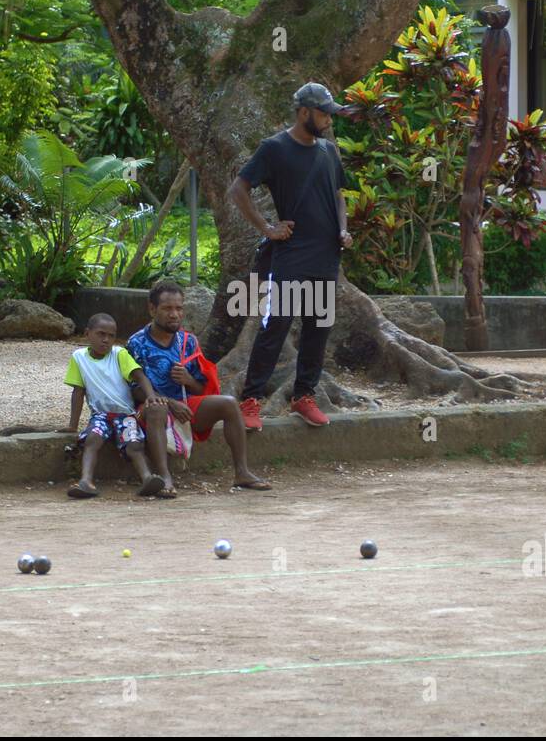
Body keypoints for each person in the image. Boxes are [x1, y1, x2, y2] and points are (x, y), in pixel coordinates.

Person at [227, 82, 354, 431]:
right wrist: (267, 228)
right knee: (275, 328)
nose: (329, 119)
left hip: (326, 256)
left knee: (318, 329)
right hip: (291, 255)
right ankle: (250, 400)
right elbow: (239, 189)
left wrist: (343, 229)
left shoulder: (329, 152)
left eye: (330, 112)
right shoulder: (275, 148)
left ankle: (304, 396)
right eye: (323, 112)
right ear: (303, 112)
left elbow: (339, 195)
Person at [126, 280, 270, 497]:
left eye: (178, 308)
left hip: (184, 406)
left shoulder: (188, 341)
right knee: (157, 408)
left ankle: (242, 472)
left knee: (229, 403)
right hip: (150, 410)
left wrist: (188, 380)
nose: (174, 314)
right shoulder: (136, 343)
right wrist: (169, 402)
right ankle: (164, 478)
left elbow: (201, 387)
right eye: (167, 308)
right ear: (152, 309)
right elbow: (134, 389)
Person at [64, 312, 167, 499]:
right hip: (100, 415)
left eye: (111, 336)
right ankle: (86, 481)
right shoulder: (78, 358)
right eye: (101, 334)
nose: (106, 340)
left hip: (125, 414)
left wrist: (150, 396)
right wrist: (72, 425)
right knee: (92, 439)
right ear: (87, 333)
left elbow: (139, 375)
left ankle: (147, 478)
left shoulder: (119, 354)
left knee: (134, 444)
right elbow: (78, 392)